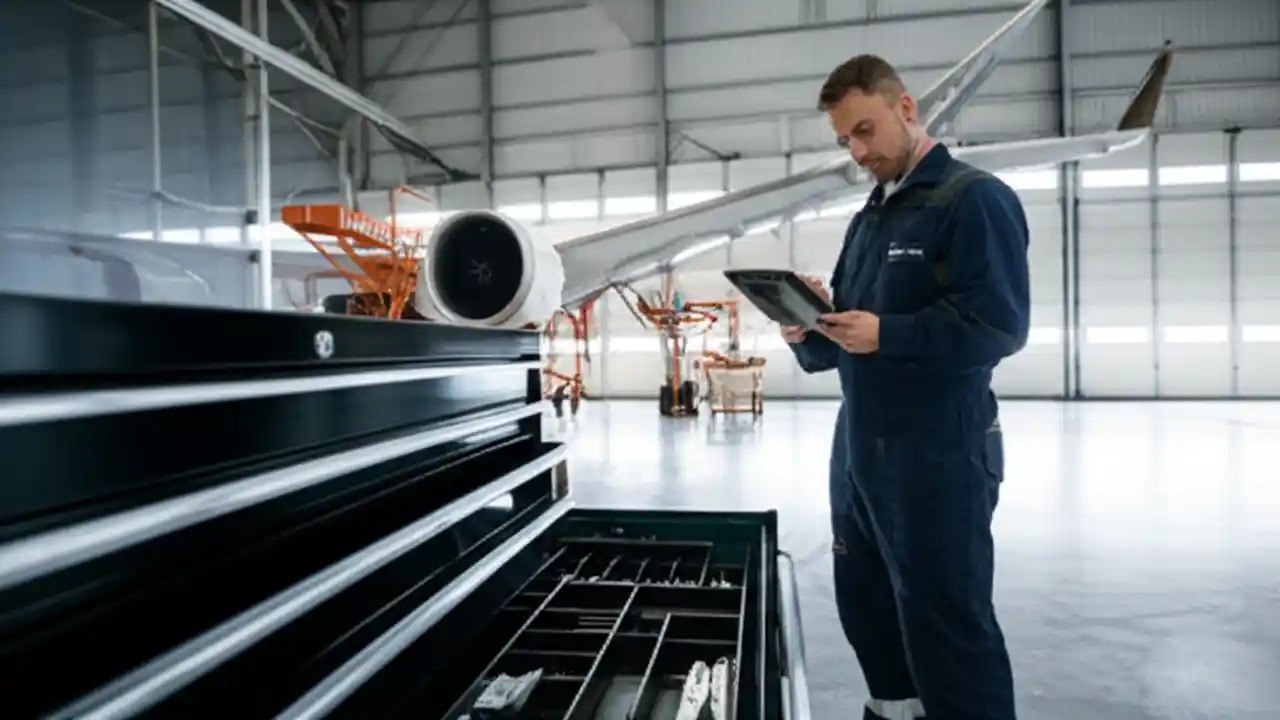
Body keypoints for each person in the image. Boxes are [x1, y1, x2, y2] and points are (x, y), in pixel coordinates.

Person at [783, 54, 1030, 720]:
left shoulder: (974, 200)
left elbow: (998, 327)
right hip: (861, 450)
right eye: (844, 141)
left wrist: (887, 335)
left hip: (938, 453)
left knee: (948, 625)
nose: (856, 151)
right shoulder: (870, 219)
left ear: (907, 108)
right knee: (870, 614)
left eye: (865, 130)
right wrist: (811, 329)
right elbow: (848, 343)